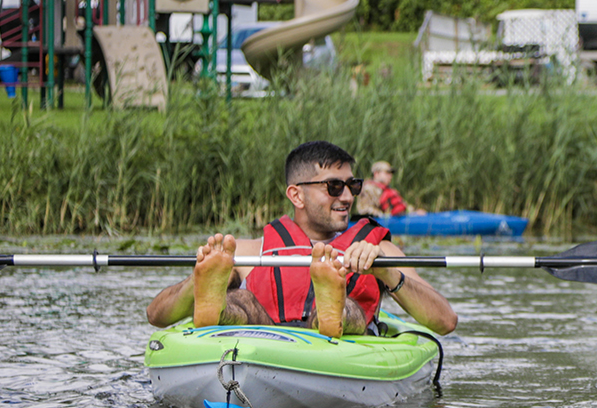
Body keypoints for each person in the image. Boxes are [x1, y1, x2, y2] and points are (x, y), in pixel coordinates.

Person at [145, 140, 458, 339]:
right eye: (334, 187)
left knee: (347, 308)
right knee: (239, 300)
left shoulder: (378, 249)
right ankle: (216, 309)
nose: (348, 196)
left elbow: (445, 321)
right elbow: (156, 316)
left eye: (353, 185)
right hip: (267, 337)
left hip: (337, 328)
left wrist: (386, 272)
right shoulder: (250, 250)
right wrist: (198, 281)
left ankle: (330, 310)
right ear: (296, 194)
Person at [357, 159, 425, 217]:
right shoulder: (368, 189)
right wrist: (384, 216)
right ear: (376, 174)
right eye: (387, 173)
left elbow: (401, 205)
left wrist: (414, 212)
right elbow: (364, 210)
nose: (390, 176)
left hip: (392, 220)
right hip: (379, 223)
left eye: (391, 173)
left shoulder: (388, 190)